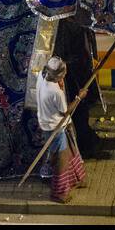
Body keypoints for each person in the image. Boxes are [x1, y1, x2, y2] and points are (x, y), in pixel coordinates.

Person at [35, 56, 87, 204]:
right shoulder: (55, 92)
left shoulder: (42, 78)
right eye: (63, 74)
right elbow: (66, 111)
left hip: (47, 123)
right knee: (62, 161)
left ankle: (77, 179)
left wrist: (61, 86)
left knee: (71, 152)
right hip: (56, 129)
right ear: (58, 75)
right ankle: (60, 193)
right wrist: (79, 97)